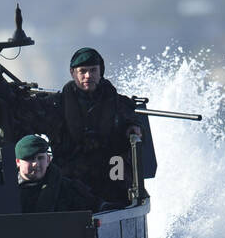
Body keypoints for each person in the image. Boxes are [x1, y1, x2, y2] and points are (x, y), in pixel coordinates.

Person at [48, 47, 154, 208]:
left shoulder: (118, 104)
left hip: (110, 172)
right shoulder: (57, 105)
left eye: (93, 70)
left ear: (101, 72)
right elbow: (24, 112)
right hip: (72, 175)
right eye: (82, 71)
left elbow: (134, 122)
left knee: (119, 172)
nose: (88, 76)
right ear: (72, 73)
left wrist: (134, 128)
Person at [14, 134, 97, 213]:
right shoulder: (7, 189)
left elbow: (96, 206)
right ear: (18, 162)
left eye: (40, 158)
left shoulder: (66, 188)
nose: (36, 164)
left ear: (48, 160)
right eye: (30, 158)